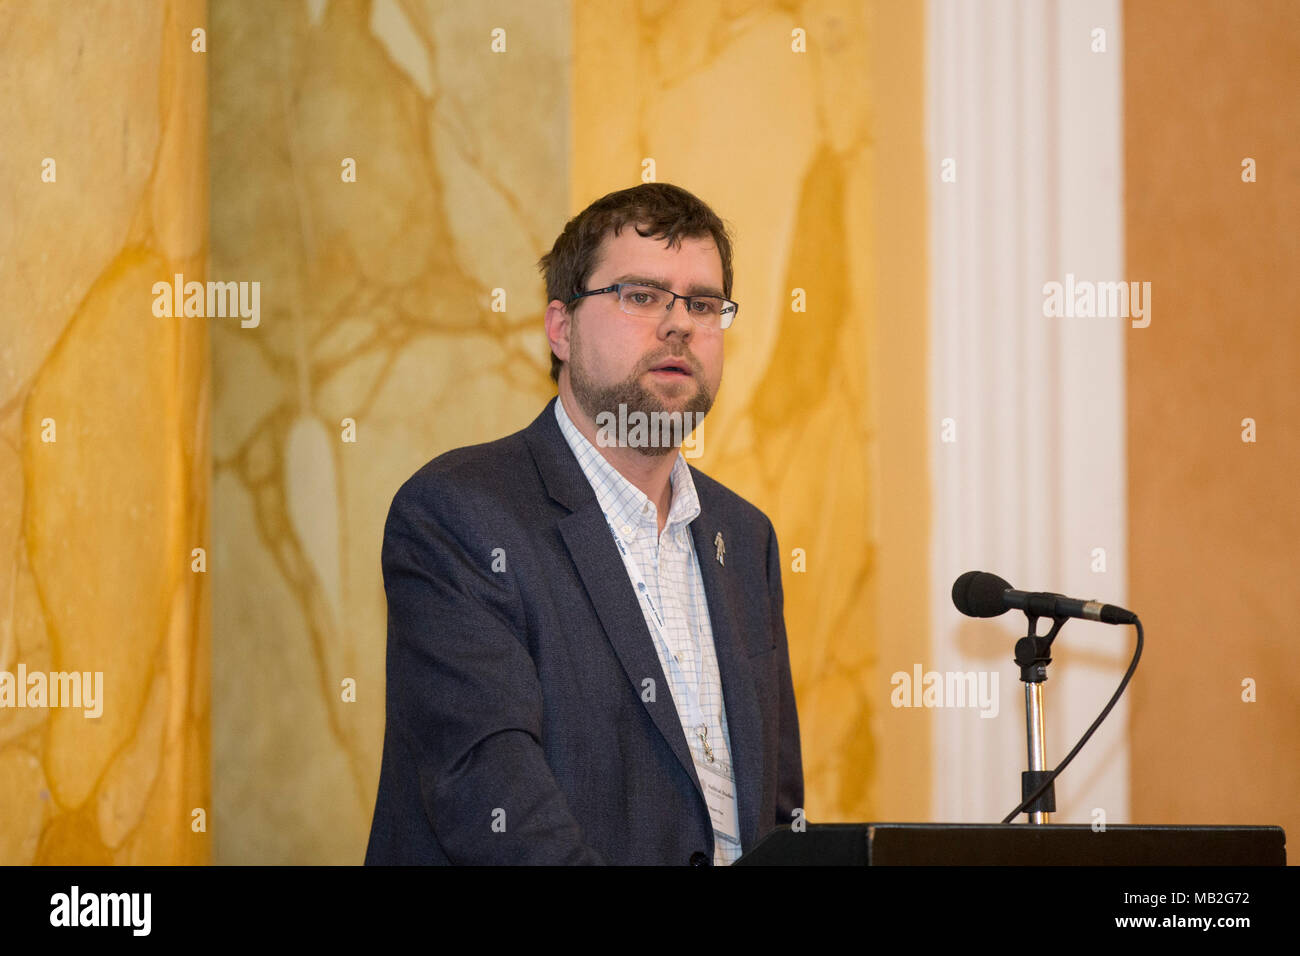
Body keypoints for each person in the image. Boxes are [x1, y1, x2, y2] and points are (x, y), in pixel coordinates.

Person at [364, 182, 803, 865]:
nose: (679, 324)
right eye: (640, 295)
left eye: (704, 304)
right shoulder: (460, 515)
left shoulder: (744, 539)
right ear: (560, 328)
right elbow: (495, 805)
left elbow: (777, 815)